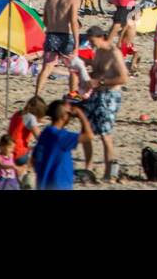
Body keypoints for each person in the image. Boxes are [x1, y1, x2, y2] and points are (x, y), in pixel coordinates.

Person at [83, 25, 129, 183]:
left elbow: (124, 78)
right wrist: (84, 67)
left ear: (100, 37)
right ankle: (88, 167)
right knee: (86, 130)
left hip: (110, 95)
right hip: (96, 94)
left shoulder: (114, 53)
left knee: (105, 134)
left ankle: (110, 171)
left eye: (92, 41)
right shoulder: (99, 52)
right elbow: (96, 71)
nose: (90, 44)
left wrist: (101, 81)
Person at [32, 99, 93, 190]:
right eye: (69, 114)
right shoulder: (61, 137)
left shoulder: (45, 133)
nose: (71, 116)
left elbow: (34, 159)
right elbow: (89, 136)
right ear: (63, 116)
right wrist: (81, 114)